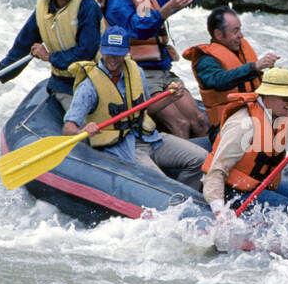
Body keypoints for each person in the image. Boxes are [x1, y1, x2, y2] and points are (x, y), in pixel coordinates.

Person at [61, 28, 209, 189]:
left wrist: (170, 98)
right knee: (161, 186)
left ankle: (185, 201)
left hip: (149, 139)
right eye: (109, 53)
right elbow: (68, 128)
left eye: (117, 54)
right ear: (101, 50)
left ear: (127, 52)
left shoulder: (136, 72)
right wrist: (81, 131)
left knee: (201, 159)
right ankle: (172, 199)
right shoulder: (89, 86)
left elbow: (146, 109)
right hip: (121, 147)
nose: (112, 59)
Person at [102, 0, 208, 139]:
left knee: (200, 121)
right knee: (181, 125)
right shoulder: (117, 0)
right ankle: (185, 167)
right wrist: (165, 10)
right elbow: (136, 30)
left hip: (164, 73)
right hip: (140, 76)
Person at [203, 67, 288, 220]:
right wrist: (219, 211)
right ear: (268, 96)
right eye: (285, 98)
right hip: (233, 191)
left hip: (260, 184)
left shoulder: (285, 112)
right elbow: (216, 172)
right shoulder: (243, 123)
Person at [182, 7, 280, 142]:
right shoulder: (205, 60)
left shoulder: (240, 51)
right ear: (219, 35)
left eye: (240, 29)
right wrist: (254, 67)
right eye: (235, 31)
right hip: (227, 126)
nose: (241, 35)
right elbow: (217, 81)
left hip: (255, 114)